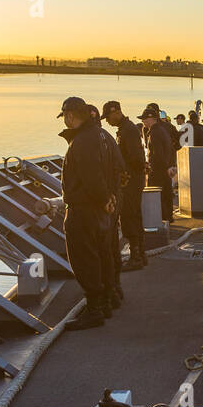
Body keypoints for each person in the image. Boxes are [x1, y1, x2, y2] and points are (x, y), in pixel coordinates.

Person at [58, 96, 115, 331]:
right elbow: (106, 170)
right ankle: (105, 302)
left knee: (84, 259)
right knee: (101, 255)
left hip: (83, 210)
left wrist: (103, 198)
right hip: (98, 208)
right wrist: (108, 197)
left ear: (70, 116)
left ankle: (94, 309)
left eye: (65, 117)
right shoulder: (98, 136)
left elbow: (91, 176)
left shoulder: (82, 142)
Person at [102, 100, 147, 270]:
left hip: (131, 182)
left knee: (129, 217)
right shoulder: (127, 129)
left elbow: (135, 158)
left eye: (108, 117)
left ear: (117, 112)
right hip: (134, 179)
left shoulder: (127, 131)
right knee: (134, 215)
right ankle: (141, 254)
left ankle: (136, 257)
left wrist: (125, 173)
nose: (107, 121)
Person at [87, 105, 125, 308]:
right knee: (111, 247)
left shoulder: (92, 141)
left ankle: (106, 295)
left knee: (102, 250)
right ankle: (114, 289)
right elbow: (120, 166)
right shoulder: (107, 138)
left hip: (103, 204)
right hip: (113, 199)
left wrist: (104, 199)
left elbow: (94, 176)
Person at [139, 104, 175, 221]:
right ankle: (167, 219)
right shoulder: (162, 130)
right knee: (165, 195)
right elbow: (170, 149)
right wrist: (170, 166)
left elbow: (158, 154)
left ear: (152, 119)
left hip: (157, 171)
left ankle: (159, 221)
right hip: (164, 170)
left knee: (157, 197)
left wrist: (150, 167)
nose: (143, 121)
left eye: (145, 119)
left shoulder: (154, 133)